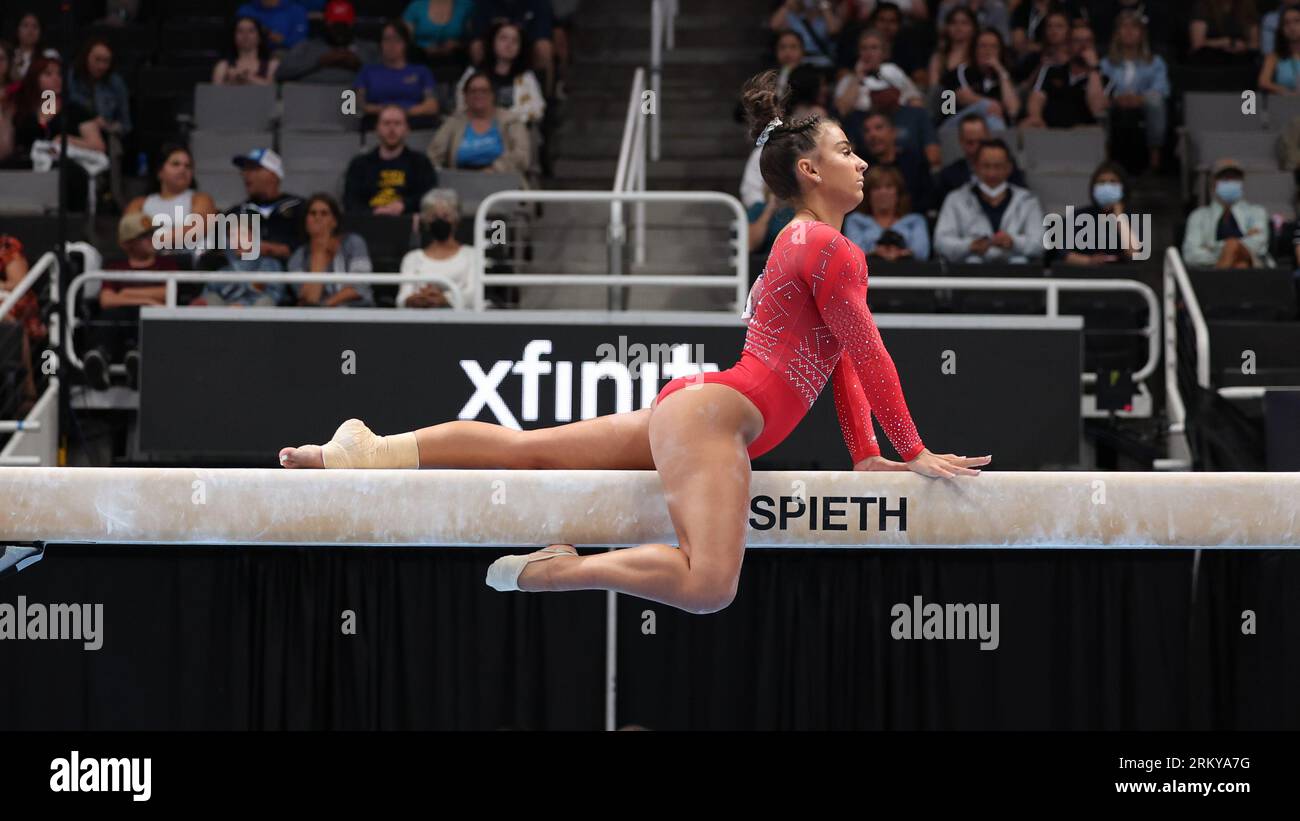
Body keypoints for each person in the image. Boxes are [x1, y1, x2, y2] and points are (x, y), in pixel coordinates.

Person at [277, 68, 990, 615]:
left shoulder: (804, 242)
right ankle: (557, 570)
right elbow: (871, 353)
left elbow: (844, 364)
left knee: (532, 452)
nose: (862, 161)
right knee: (709, 585)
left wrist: (868, 452)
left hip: (705, 411)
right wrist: (914, 448)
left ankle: (369, 447)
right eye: (845, 150)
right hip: (719, 416)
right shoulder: (828, 247)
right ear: (810, 171)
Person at [85, 214, 181, 390]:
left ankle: (137, 361)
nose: (153, 239)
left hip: (151, 326)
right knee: (111, 315)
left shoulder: (167, 263)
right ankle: (99, 359)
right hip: (120, 323)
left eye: (154, 234)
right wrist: (148, 299)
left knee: (142, 314)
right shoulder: (115, 267)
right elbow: (106, 300)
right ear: (127, 244)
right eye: (145, 236)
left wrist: (126, 294)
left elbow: (167, 293)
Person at [9, 55, 104, 212]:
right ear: (35, 79)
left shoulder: (75, 110)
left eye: (59, 74)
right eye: (48, 74)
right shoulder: (22, 110)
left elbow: (98, 145)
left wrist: (68, 140)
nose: (56, 79)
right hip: (28, 167)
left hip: (65, 168)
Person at [934, 138, 1044, 262]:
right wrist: (969, 246)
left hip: (1015, 273)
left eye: (998, 167)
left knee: (1019, 261)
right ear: (975, 167)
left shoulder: (1027, 201)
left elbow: (1040, 243)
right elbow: (941, 243)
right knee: (973, 261)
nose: (992, 174)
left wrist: (1014, 242)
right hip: (970, 274)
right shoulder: (955, 199)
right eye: (986, 166)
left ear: (1009, 168)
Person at [1101, 10, 1169, 172]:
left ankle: (1155, 158)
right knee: (1100, 103)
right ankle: (1104, 156)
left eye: (1134, 27)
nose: (1129, 31)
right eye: (1124, 27)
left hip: (1144, 101)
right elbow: (1102, 87)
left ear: (1142, 34)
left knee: (1156, 101)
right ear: (1117, 33)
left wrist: (1140, 98)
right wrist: (1117, 98)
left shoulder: (1155, 62)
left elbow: (1162, 88)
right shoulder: (1106, 63)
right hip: (1115, 101)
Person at [427, 71, 531, 174]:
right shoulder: (453, 122)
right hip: (462, 182)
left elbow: (522, 156)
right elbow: (433, 155)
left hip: (502, 179)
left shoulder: (511, 120)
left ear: (493, 94)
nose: (478, 94)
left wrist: (494, 169)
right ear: (465, 96)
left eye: (484, 90)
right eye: (473, 91)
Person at [124, 145, 219, 256]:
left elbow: (196, 231)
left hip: (192, 268)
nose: (182, 169)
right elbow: (129, 235)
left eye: (188, 166)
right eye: (175, 164)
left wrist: (151, 241)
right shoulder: (139, 203)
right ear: (160, 172)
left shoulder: (202, 199)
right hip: (152, 268)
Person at [344, 105, 438, 215]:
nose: (391, 129)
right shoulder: (359, 164)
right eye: (386, 123)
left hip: (407, 223)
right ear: (377, 129)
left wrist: (403, 206)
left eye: (397, 123)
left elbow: (429, 197)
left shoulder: (420, 163)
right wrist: (374, 212)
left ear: (407, 130)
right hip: (368, 224)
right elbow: (350, 201)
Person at [286, 193, 374, 307]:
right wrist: (319, 253)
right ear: (306, 221)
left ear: (334, 221)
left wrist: (327, 305)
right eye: (313, 213)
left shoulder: (353, 243)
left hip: (357, 312)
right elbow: (310, 299)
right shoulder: (298, 257)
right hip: (317, 319)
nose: (318, 218)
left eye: (324, 213)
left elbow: (359, 287)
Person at [1181, 158, 1272, 268]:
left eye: (1235, 178)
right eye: (1224, 178)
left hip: (1254, 266)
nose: (1230, 181)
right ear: (1213, 182)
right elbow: (1191, 255)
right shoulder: (1198, 216)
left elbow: (1259, 245)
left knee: (1235, 250)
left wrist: (1214, 247)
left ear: (1242, 182)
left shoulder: (1257, 212)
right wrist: (1226, 253)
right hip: (1210, 268)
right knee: (1239, 263)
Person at [453, 21, 546, 125]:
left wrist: (507, 119)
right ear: (492, 42)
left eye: (515, 41)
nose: (509, 44)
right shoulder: (474, 73)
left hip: (516, 128)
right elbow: (462, 105)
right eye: (503, 38)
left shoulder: (526, 77)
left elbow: (537, 110)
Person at [1022, 21, 1108, 129]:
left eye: (1088, 41)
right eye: (1077, 41)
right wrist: (1036, 119)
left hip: (1084, 136)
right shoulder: (1051, 71)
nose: (1083, 45)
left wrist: (1094, 70)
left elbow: (1097, 109)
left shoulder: (1104, 80)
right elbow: (1036, 98)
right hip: (1049, 132)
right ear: (1068, 45)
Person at [397, 188, 475, 308]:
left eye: (446, 216)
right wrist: (416, 299)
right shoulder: (412, 258)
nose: (440, 221)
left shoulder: (472, 255)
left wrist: (444, 299)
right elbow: (402, 299)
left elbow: (473, 295)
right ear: (426, 221)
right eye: (434, 217)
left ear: (456, 220)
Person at [355, 19, 440, 126]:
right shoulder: (367, 71)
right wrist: (384, 111)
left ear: (406, 44)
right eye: (387, 39)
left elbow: (432, 106)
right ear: (380, 43)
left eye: (397, 40)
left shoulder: (422, 71)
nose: (392, 45)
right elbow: (359, 104)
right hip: (377, 122)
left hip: (414, 123)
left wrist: (403, 112)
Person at [1055, 161, 1140, 264]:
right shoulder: (1079, 216)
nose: (1107, 186)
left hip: (1122, 275)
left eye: (1113, 182)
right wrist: (1089, 261)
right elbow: (1063, 253)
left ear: (1122, 187)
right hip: (1086, 275)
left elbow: (1133, 253)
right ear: (1093, 187)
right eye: (1102, 182)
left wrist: (1119, 216)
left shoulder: (1132, 217)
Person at [276, 0, 377, 85]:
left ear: (353, 23)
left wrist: (359, 66)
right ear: (325, 23)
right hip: (311, 98)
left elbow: (387, 77)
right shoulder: (307, 46)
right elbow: (281, 73)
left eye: (344, 24)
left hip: (353, 100)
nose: (339, 29)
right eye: (334, 23)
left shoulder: (368, 49)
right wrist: (319, 61)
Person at [938, 27, 1019, 133]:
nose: (988, 51)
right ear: (974, 50)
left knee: (993, 119)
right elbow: (963, 96)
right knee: (987, 108)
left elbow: (1013, 109)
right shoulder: (960, 71)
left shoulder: (1003, 78)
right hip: (951, 128)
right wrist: (989, 104)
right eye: (983, 46)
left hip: (988, 127)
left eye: (994, 47)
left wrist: (1001, 71)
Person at [229, 148, 304, 261]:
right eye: (245, 170)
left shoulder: (300, 207)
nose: (246, 174)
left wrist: (262, 248)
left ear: (273, 174)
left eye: (253, 169)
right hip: (247, 272)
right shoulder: (237, 211)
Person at [844, 164, 931, 260]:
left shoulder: (915, 221)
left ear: (898, 193)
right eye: (876, 188)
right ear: (868, 194)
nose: (883, 192)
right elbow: (854, 255)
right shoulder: (856, 221)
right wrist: (876, 253)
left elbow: (922, 254)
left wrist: (901, 255)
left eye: (889, 187)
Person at [858, 110, 937, 213]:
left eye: (878, 128)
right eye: (867, 131)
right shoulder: (860, 166)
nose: (872, 135)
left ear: (893, 132)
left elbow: (927, 199)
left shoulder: (914, 162)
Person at [936, 113, 1025, 201]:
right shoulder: (950, 176)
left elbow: (1023, 200)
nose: (976, 148)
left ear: (989, 137)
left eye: (981, 141)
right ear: (961, 142)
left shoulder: (1007, 167)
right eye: (970, 143)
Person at [770, 0, 844, 68]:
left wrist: (824, 6)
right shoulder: (795, 17)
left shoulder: (826, 18)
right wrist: (788, 4)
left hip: (821, 62)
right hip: (796, 61)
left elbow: (834, 31)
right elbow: (774, 26)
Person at [403, 0, 474, 64]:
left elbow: (472, 39)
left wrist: (458, 45)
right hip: (420, 61)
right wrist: (423, 50)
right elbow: (403, 40)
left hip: (456, 61)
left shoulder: (466, 5)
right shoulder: (416, 6)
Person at [213, 16, 279, 86]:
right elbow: (215, 94)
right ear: (234, 37)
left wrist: (248, 78)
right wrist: (231, 81)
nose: (245, 35)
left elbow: (274, 92)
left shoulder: (272, 65)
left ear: (259, 37)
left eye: (251, 31)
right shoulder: (223, 66)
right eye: (240, 31)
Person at [1188, 0, 1259, 64]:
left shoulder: (1247, 7)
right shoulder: (1203, 6)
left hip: (1241, 60)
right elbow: (1197, 44)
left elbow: (1255, 44)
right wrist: (1227, 42)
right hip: (1209, 60)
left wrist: (1244, 46)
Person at [236, 0, 310, 51]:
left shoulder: (297, 10)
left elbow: (300, 41)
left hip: (285, 55)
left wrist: (283, 41)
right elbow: (235, 37)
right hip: (249, 53)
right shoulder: (246, 10)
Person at [1259, 6, 1300, 94]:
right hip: (1285, 103)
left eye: (1297, 21)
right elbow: (1263, 82)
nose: (1291, 27)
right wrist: (1285, 91)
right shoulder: (1274, 56)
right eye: (1286, 23)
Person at [8, 13, 41, 84]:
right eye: (26, 25)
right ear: (17, 30)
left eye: (35, 26)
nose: (30, 30)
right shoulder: (7, 54)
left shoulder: (48, 55)